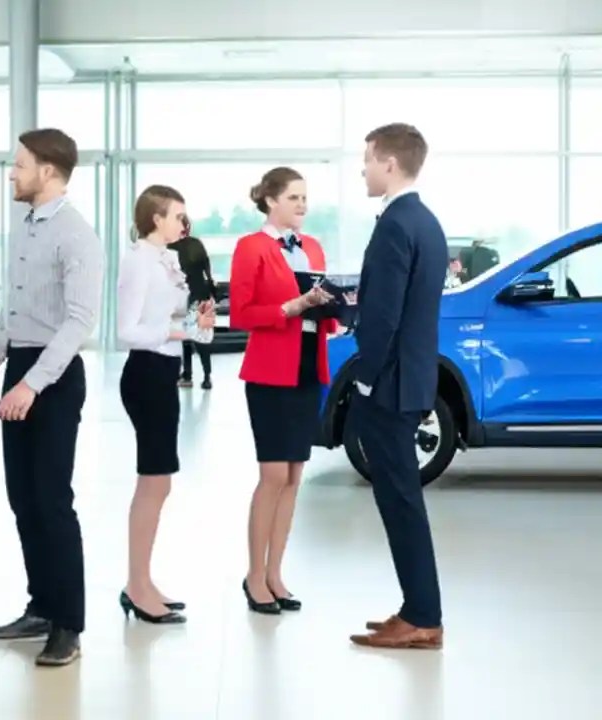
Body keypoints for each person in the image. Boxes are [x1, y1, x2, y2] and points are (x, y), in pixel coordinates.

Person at [0, 128, 103, 667]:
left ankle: (68, 624)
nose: (11, 174)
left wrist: (31, 384)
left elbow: (79, 322)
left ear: (48, 171)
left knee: (52, 500)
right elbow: (12, 317)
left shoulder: (77, 235)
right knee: (24, 498)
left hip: (54, 377)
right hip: (21, 364)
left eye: (19, 165)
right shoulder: (25, 228)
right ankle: (41, 606)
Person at [347, 123, 448, 650]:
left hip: (389, 386)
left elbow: (383, 316)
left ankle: (423, 617)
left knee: (401, 503)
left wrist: (363, 379)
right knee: (403, 501)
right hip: (412, 380)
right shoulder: (425, 221)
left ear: (389, 163)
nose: (363, 169)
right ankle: (417, 609)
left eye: (367, 159)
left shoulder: (394, 224)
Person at [228, 166, 336, 615]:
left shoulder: (313, 248)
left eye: (305, 198)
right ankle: (254, 575)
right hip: (270, 371)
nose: (302, 205)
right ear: (271, 200)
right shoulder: (250, 247)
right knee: (272, 476)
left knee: (293, 477)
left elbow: (326, 317)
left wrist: (339, 307)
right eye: (294, 197)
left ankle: (275, 574)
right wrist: (291, 307)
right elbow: (241, 313)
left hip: (309, 367)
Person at [116, 184, 212, 625]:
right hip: (146, 374)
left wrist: (196, 321)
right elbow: (127, 331)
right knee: (154, 482)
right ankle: (137, 586)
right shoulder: (139, 261)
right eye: (177, 215)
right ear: (155, 218)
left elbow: (173, 320)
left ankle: (142, 582)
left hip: (164, 371)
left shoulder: (165, 258)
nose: (183, 223)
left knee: (159, 483)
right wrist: (181, 332)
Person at [168, 217, 215, 389]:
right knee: (202, 337)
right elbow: (207, 270)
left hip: (183, 296)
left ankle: (187, 375)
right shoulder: (196, 244)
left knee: (185, 337)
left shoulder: (170, 247)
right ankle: (207, 376)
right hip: (201, 294)